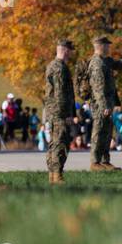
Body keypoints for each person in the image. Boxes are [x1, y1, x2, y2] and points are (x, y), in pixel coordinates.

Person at [77, 36, 122, 173]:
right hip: (100, 105)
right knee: (99, 132)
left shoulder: (106, 61)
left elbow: (121, 64)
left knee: (107, 132)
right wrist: (104, 106)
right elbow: (98, 88)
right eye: (107, 45)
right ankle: (95, 162)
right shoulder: (97, 64)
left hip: (107, 104)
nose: (109, 48)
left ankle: (105, 161)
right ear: (101, 46)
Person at [43, 39, 77, 184]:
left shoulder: (54, 65)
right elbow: (61, 94)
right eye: (70, 50)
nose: (71, 53)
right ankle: (57, 175)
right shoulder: (59, 68)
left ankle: (52, 175)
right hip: (59, 112)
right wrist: (67, 114)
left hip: (53, 111)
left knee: (54, 143)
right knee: (60, 143)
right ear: (65, 50)